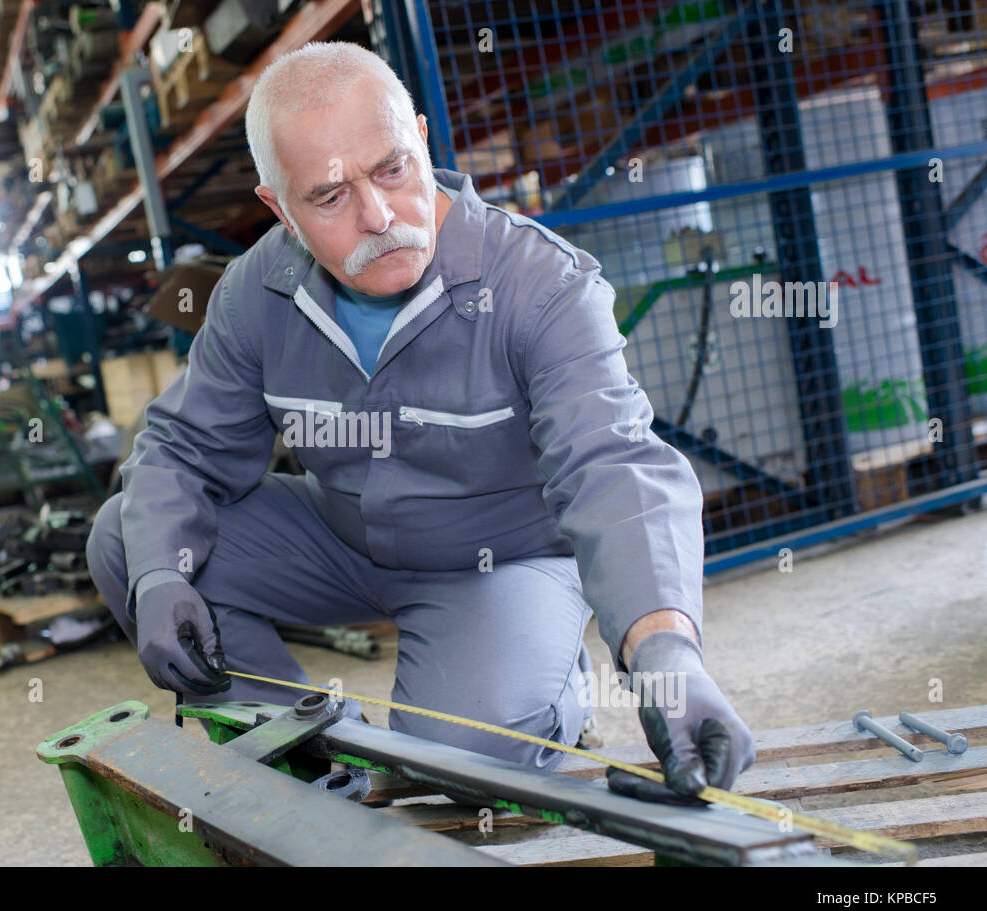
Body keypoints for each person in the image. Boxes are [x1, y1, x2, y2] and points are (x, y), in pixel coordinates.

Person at [86, 41, 754, 803]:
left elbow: (614, 463)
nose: (378, 217)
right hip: (343, 542)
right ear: (280, 208)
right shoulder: (257, 293)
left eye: (392, 168)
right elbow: (181, 449)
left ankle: (548, 688)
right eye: (330, 198)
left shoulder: (541, 286)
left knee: (455, 762)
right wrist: (159, 579)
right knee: (132, 540)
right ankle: (291, 754)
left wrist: (664, 649)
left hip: (502, 558)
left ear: (425, 141)